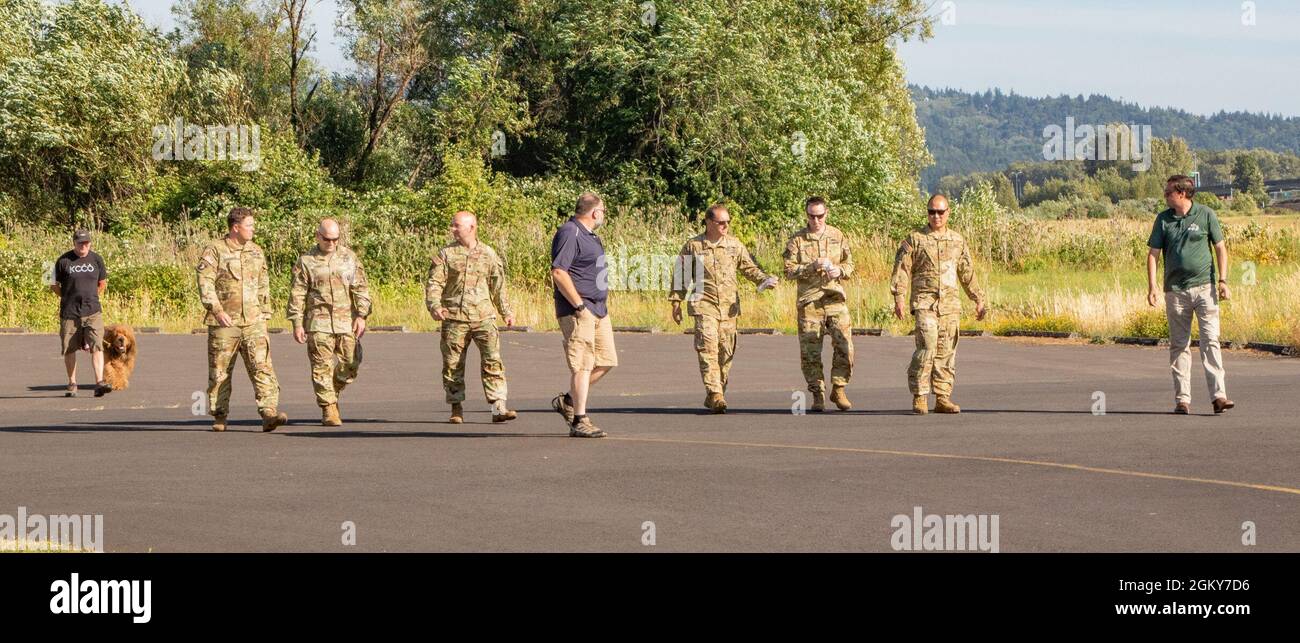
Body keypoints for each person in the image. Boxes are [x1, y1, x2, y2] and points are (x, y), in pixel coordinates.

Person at [669, 203, 778, 413]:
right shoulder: (694, 246)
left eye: (728, 222)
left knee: (725, 353)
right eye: (721, 222)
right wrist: (676, 303)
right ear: (708, 222)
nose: (725, 226)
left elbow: (749, 268)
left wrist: (764, 280)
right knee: (707, 348)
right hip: (704, 305)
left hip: (729, 309)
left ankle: (717, 392)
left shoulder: (734, 245)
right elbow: (681, 275)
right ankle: (715, 393)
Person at [890, 194, 986, 415]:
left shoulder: (957, 241)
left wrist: (978, 298)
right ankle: (920, 395)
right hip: (925, 303)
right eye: (932, 212)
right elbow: (902, 270)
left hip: (950, 305)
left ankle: (943, 396)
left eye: (940, 212)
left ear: (948, 213)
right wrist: (899, 298)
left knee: (946, 352)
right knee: (927, 347)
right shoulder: (915, 239)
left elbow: (967, 273)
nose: (936, 216)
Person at [1146, 174, 1234, 415]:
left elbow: (1220, 248)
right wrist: (1152, 286)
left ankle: (1219, 396)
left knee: (1211, 340)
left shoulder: (1206, 214)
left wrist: (1223, 280)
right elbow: (1153, 254)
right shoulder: (1163, 219)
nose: (1165, 196)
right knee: (1179, 345)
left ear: (1182, 193)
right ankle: (1182, 400)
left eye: (1168, 192)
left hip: (1206, 288)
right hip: (1176, 291)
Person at [196, 207, 288, 432]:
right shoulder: (215, 250)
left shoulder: (256, 251)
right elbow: (205, 282)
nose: (253, 229)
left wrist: (265, 313)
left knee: (262, 366)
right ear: (236, 227)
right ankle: (220, 415)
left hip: (254, 320)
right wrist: (217, 310)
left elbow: (263, 282)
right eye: (249, 225)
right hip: (225, 322)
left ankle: (269, 412)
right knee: (220, 371)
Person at [426, 211, 517, 424]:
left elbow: (498, 285)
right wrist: (435, 306)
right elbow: (434, 283)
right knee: (453, 365)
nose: (453, 229)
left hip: (484, 317)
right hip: (454, 318)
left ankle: (498, 407)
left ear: (472, 228)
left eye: (457, 225)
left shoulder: (488, 253)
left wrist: (506, 312)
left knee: (492, 360)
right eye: (452, 225)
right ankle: (456, 407)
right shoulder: (446, 254)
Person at [288, 218, 371, 426]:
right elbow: (297, 294)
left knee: (351, 364)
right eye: (327, 239)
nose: (332, 243)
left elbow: (360, 288)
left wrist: (361, 315)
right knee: (321, 367)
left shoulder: (349, 258)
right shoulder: (306, 261)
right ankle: (329, 408)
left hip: (346, 322)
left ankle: (332, 391)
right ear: (318, 236)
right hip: (318, 323)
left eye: (336, 239)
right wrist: (297, 323)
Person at [550, 192, 616, 437]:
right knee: (583, 364)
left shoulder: (591, 236)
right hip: (578, 310)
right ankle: (579, 419)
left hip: (599, 309)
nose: (604, 215)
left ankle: (568, 400)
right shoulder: (570, 232)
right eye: (603, 211)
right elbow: (559, 272)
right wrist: (579, 306)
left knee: (607, 360)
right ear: (595, 212)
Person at [782, 196, 855, 412]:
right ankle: (817, 393)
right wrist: (810, 267)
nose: (816, 221)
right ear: (807, 215)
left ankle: (839, 387)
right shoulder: (797, 240)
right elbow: (788, 270)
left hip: (834, 297)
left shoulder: (837, 236)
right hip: (810, 301)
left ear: (826, 214)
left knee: (845, 346)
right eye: (812, 216)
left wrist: (839, 270)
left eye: (820, 216)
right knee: (810, 351)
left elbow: (850, 264)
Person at [52, 229, 110, 397]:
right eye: (80, 243)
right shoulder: (63, 260)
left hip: (92, 311)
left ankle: (99, 383)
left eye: (86, 243)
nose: (83, 246)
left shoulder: (97, 259)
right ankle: (72, 383)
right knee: (69, 348)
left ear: (90, 243)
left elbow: (102, 283)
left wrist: (91, 296)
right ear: (74, 243)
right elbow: (53, 285)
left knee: (96, 345)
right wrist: (67, 296)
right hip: (69, 313)